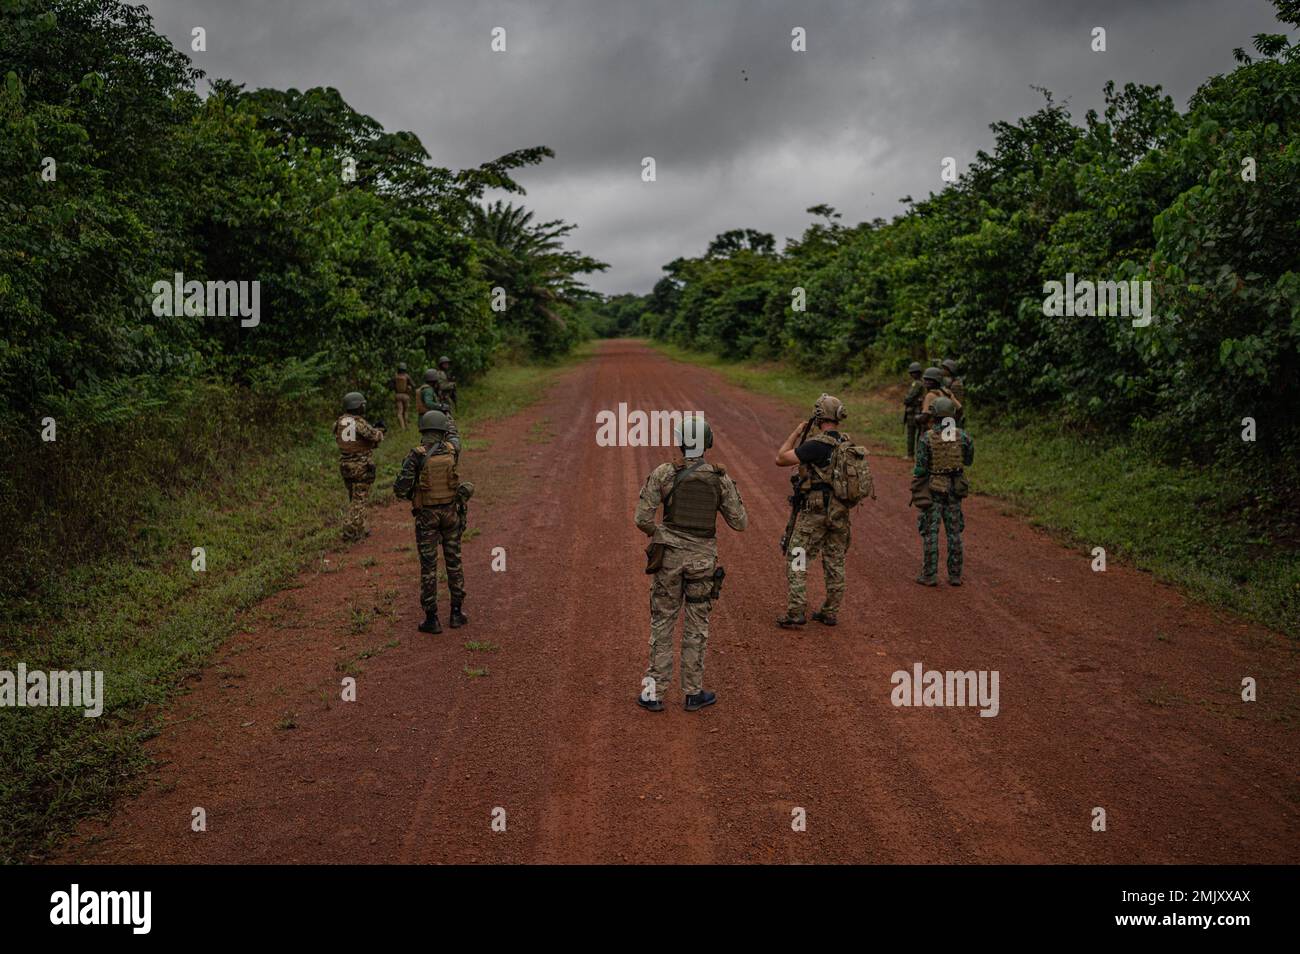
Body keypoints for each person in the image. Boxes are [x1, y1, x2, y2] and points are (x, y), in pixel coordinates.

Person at [635, 415, 747, 712]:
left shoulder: (664, 473)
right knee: (697, 625)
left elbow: (642, 519)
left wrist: (663, 535)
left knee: (663, 622)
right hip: (702, 562)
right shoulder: (719, 478)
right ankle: (693, 693)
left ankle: (653, 692)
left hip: (669, 559)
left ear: (680, 441)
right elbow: (740, 522)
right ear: (708, 442)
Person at [774, 393, 851, 628]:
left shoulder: (816, 445)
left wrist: (797, 432)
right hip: (840, 513)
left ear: (818, 417)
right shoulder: (847, 444)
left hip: (815, 512)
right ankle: (830, 611)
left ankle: (796, 610)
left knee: (797, 556)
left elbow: (781, 458)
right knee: (835, 561)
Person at [393, 410, 468, 634]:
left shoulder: (416, 455)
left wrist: (415, 493)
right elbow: (455, 439)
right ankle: (456, 613)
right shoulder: (452, 450)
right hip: (451, 514)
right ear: (443, 431)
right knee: (454, 561)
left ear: (423, 430)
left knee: (429, 566)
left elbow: (401, 489)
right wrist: (451, 423)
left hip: (427, 517)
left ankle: (431, 618)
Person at [912, 396, 974, 586]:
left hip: (934, 488)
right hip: (955, 489)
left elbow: (921, 468)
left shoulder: (926, 438)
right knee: (954, 533)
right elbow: (968, 461)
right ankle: (955, 575)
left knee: (931, 532)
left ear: (935, 414)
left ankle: (929, 575)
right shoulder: (963, 437)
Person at [333, 392, 385, 543]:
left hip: (345, 465)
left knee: (353, 497)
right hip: (360, 466)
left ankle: (360, 527)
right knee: (359, 499)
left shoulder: (339, 422)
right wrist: (380, 432)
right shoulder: (359, 422)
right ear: (358, 406)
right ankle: (350, 531)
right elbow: (374, 436)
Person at [902, 361, 925, 459]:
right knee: (917, 434)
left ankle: (911, 455)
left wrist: (906, 399)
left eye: (913, 372)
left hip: (914, 412)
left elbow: (909, 398)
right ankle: (915, 455)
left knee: (912, 434)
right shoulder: (921, 383)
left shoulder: (917, 384)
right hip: (916, 411)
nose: (912, 374)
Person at [941, 359, 966, 427]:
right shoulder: (951, 382)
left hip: (955, 415)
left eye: (944, 369)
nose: (943, 371)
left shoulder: (956, 384)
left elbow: (958, 402)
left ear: (950, 370)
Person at [392, 362, 417, 430]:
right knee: (405, 411)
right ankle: (407, 426)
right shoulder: (406, 376)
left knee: (399, 412)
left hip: (398, 395)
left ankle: (402, 427)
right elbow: (413, 385)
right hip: (405, 396)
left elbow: (392, 386)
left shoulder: (395, 376)